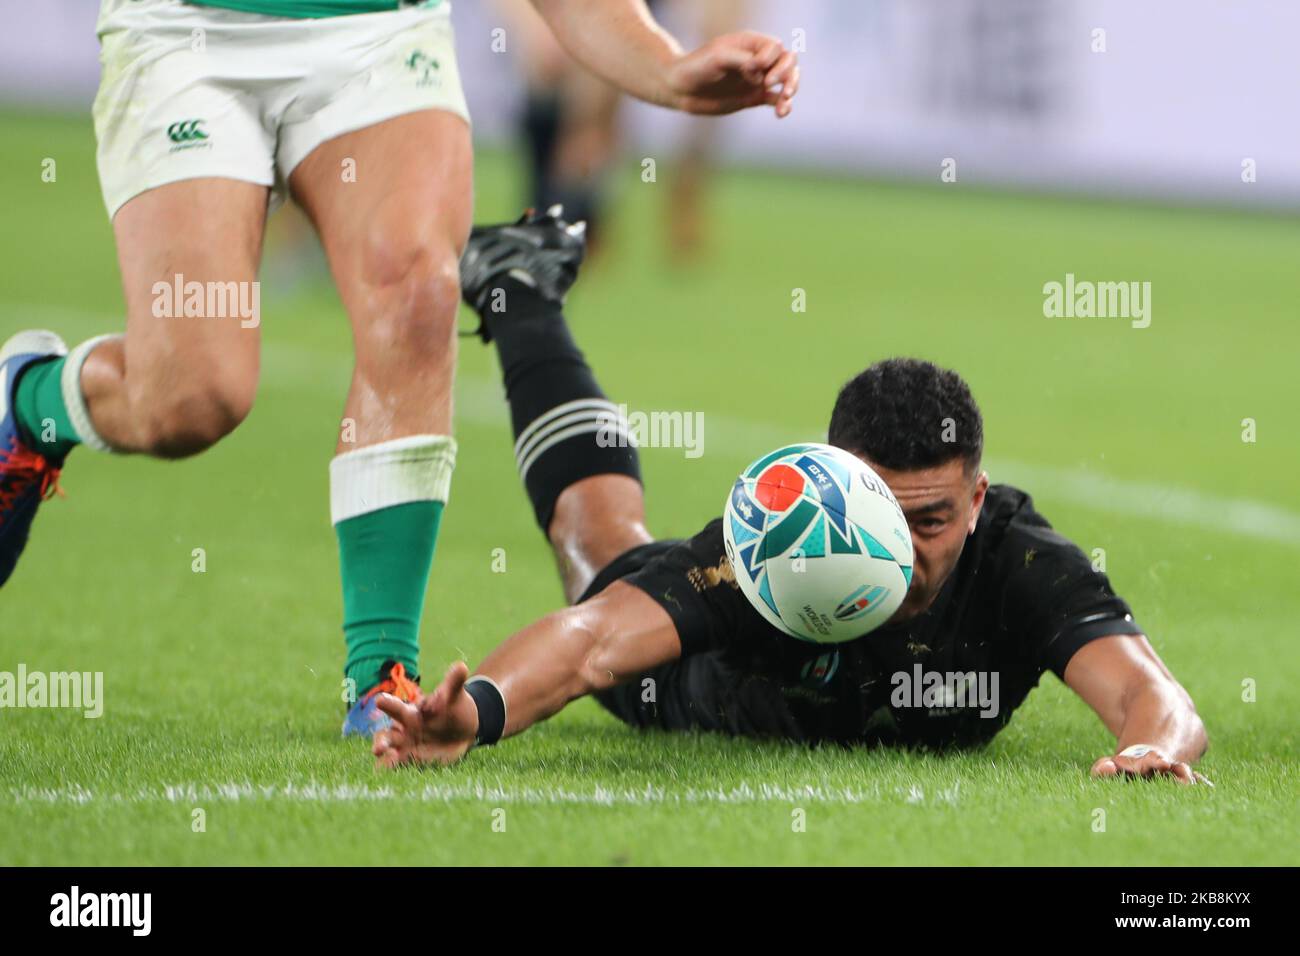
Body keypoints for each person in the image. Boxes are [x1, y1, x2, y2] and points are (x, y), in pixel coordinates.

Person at [0, 0, 799, 738]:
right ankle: (30, 398)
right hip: (190, 29)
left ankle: (379, 677)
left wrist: (664, 66)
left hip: (376, 30)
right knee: (193, 399)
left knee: (420, 291)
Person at [373, 208, 1211, 786]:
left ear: (978, 496)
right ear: (832, 479)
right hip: (683, 690)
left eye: (934, 520)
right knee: (598, 549)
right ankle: (518, 291)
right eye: (881, 516)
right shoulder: (778, 546)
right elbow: (591, 642)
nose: (909, 552)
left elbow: (1152, 695)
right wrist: (477, 712)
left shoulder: (1018, 560)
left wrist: (1152, 751)